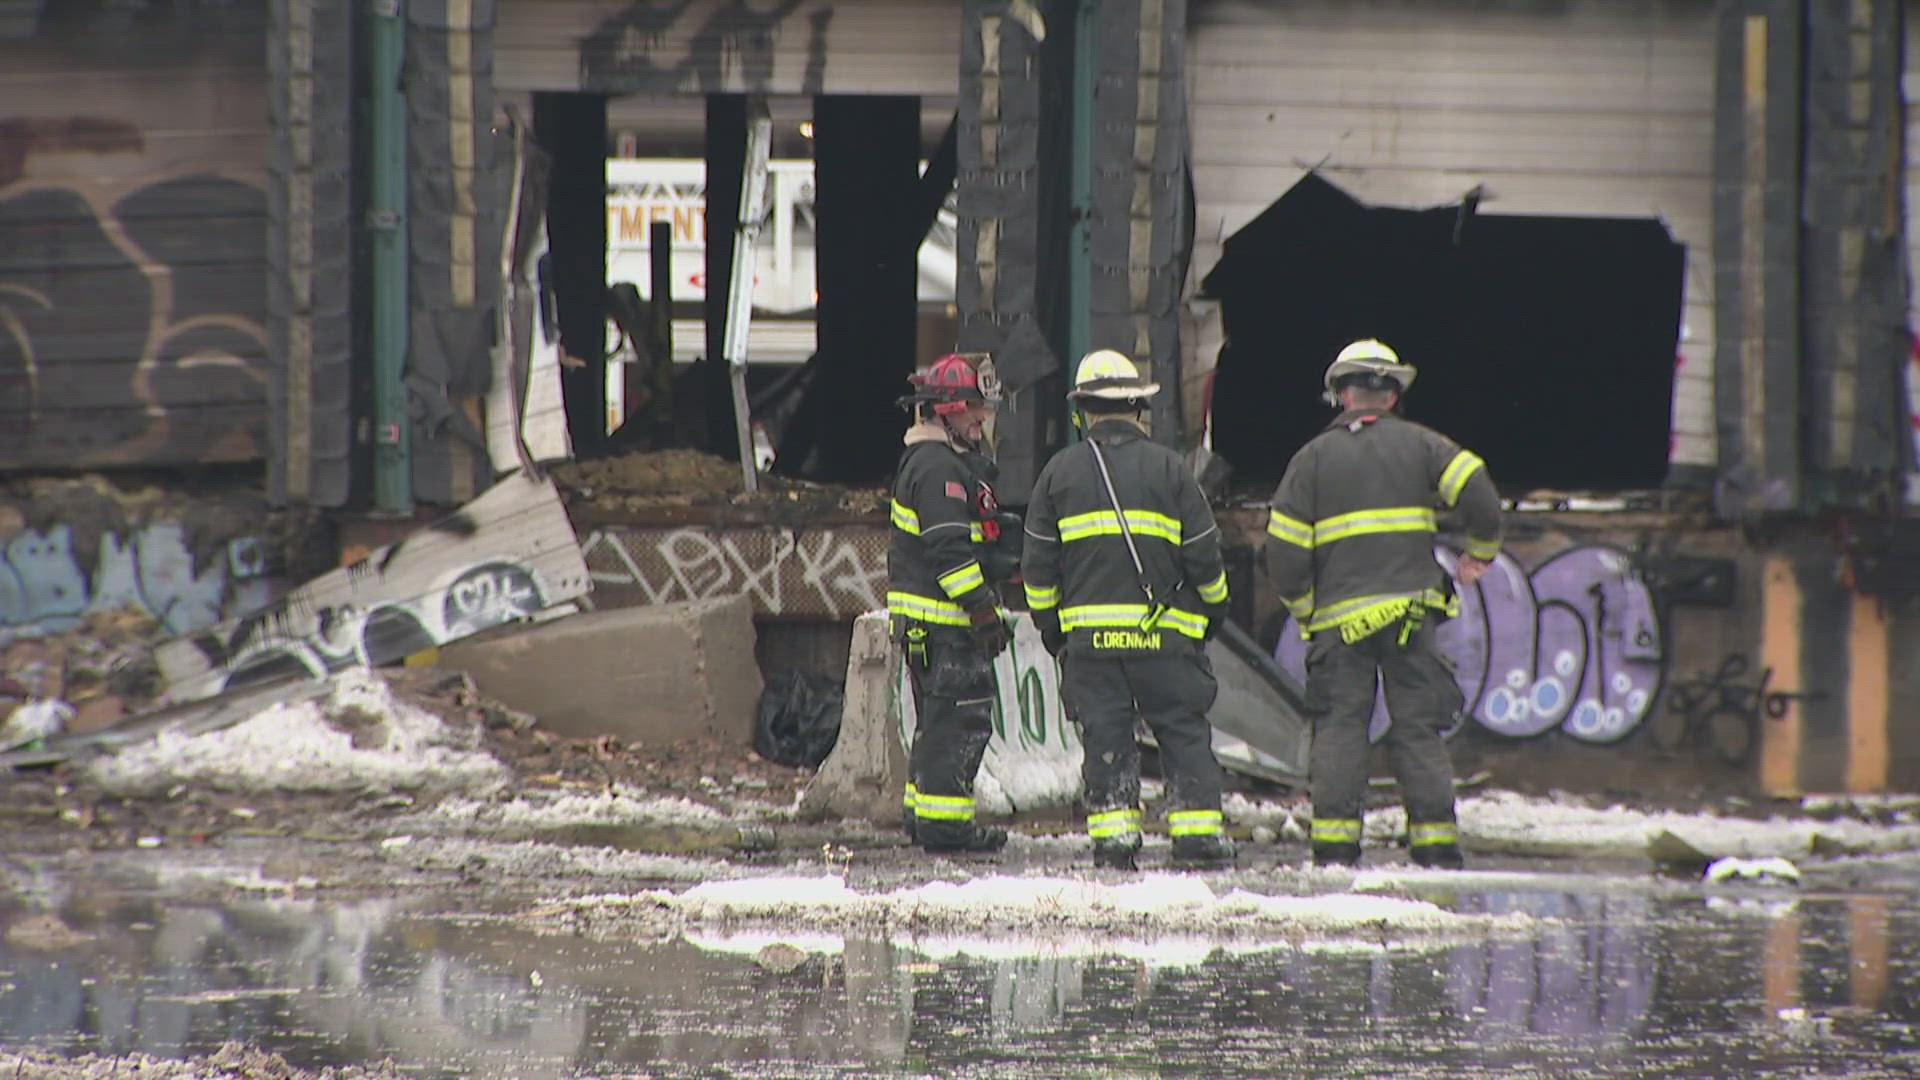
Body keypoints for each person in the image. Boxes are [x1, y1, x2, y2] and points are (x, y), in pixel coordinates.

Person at [1264, 339, 1502, 869]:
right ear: (1393, 397)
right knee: (1417, 726)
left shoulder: (1311, 461)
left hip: (1338, 623)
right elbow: (1480, 493)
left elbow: (1283, 554)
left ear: (1341, 395)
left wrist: (1306, 611)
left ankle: (1335, 847)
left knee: (1343, 725)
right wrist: (1478, 555)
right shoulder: (1426, 447)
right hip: (1410, 617)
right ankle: (1436, 844)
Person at [1021, 350, 1234, 871]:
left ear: (1083, 412)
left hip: (1091, 645)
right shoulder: (1171, 469)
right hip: (1165, 638)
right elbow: (1205, 555)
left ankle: (1114, 841)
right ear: (1141, 408)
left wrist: (1055, 632)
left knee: (1106, 738)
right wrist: (1214, 612)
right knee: (1183, 732)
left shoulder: (1057, 474)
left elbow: (1038, 570)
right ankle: (1197, 836)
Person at [889, 353, 1013, 854]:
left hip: (931, 627)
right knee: (958, 721)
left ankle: (925, 817)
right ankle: (946, 829)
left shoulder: (943, 463)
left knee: (938, 723)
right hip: (946, 626)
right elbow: (950, 553)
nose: (981, 419)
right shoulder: (939, 468)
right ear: (945, 411)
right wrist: (984, 612)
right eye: (973, 410)